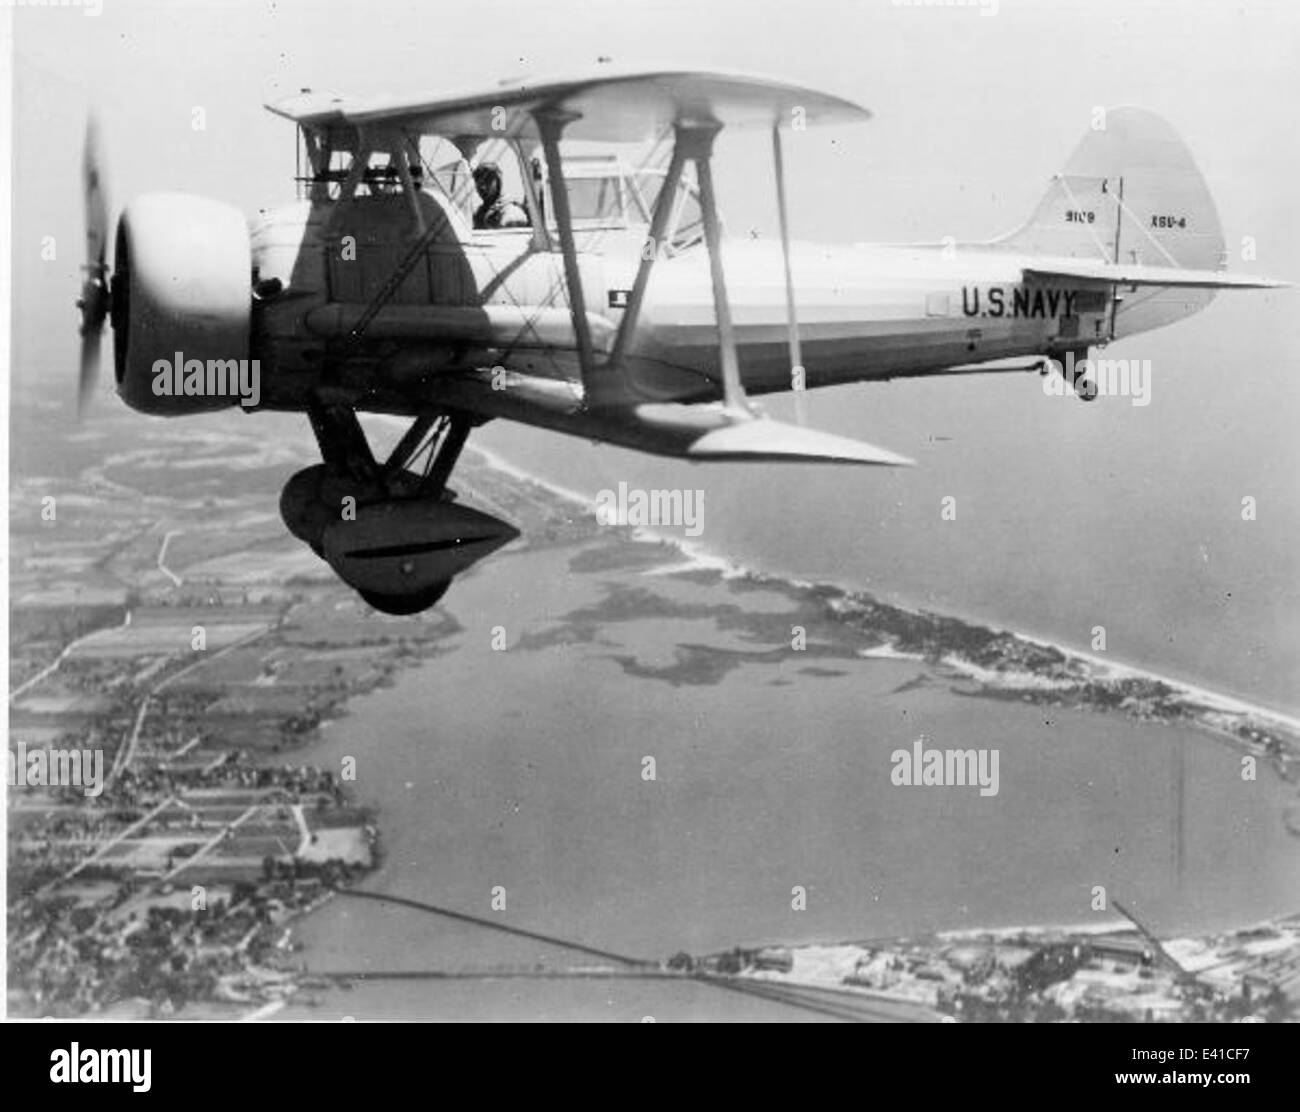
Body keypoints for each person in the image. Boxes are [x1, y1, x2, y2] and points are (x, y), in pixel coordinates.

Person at [472, 162, 530, 229]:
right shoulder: (480, 213)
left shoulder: (510, 211)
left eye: (487, 180)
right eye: (478, 183)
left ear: (498, 182)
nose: (482, 187)